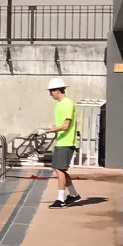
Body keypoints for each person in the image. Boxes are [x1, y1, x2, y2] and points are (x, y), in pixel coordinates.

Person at [45, 77, 81, 207]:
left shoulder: (67, 104)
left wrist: (50, 130)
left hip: (66, 142)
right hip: (61, 141)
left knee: (60, 170)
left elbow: (66, 125)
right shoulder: (60, 104)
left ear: (57, 91)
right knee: (59, 169)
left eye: (51, 91)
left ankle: (61, 199)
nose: (50, 94)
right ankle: (73, 194)